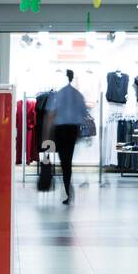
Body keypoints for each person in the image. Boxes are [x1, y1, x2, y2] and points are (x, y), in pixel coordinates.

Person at [45, 69, 87, 205]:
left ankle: (69, 190)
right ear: (72, 78)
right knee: (67, 160)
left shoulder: (59, 94)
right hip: (72, 130)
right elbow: (83, 114)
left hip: (61, 130)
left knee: (65, 162)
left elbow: (51, 113)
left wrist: (47, 132)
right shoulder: (78, 95)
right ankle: (68, 188)